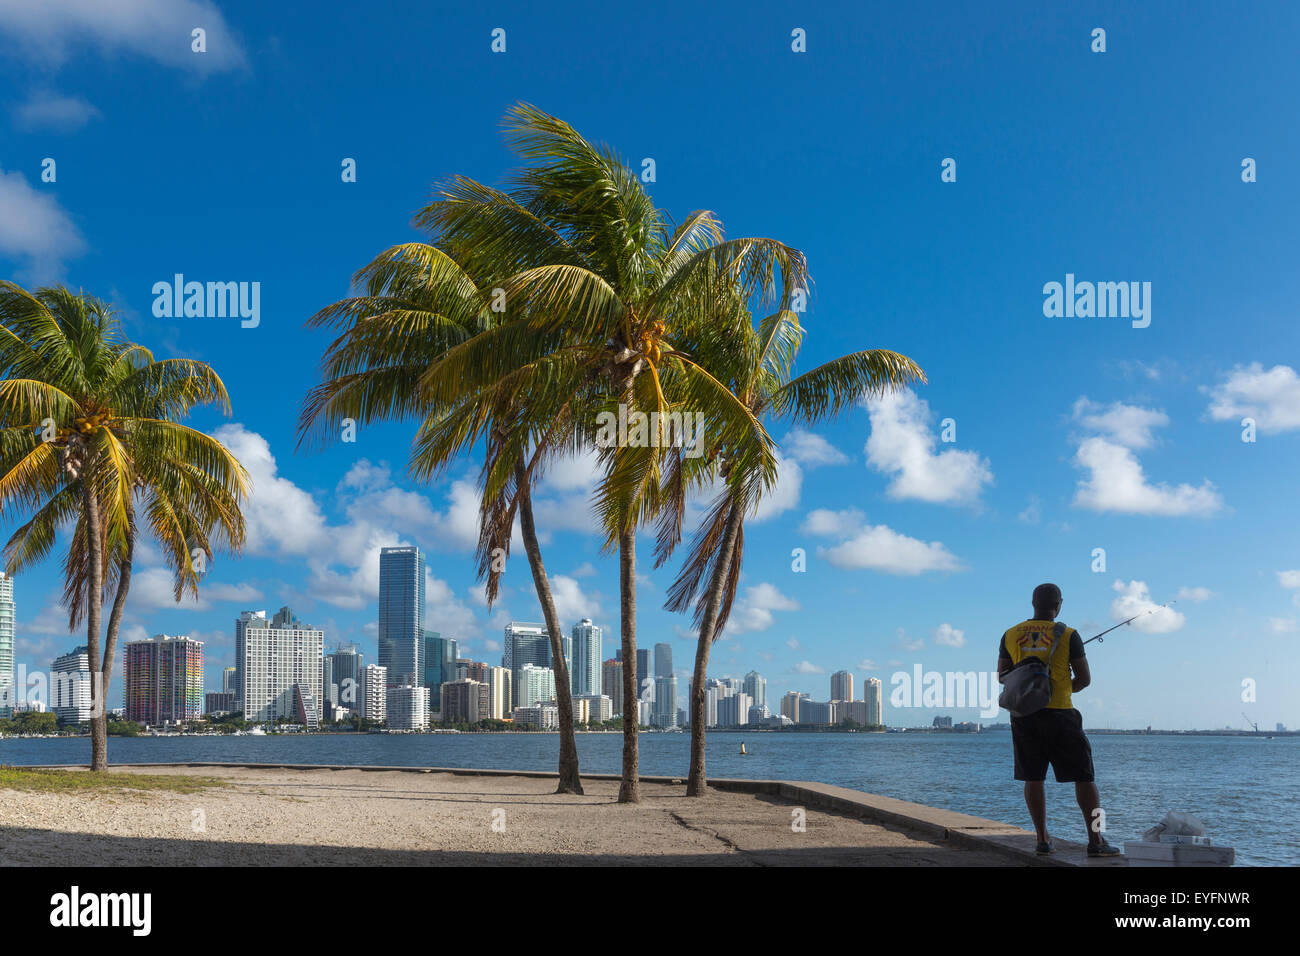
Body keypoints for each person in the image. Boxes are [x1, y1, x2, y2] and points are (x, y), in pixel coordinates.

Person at [997, 583, 1121, 857]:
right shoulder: (1069, 635)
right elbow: (1085, 679)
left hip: (1024, 716)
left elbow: (1002, 676)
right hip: (1062, 714)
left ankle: (1042, 839)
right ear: (1059, 604)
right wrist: (1061, 689)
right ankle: (1096, 841)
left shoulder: (1011, 633)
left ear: (1032, 602)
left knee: (1033, 777)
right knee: (1085, 778)